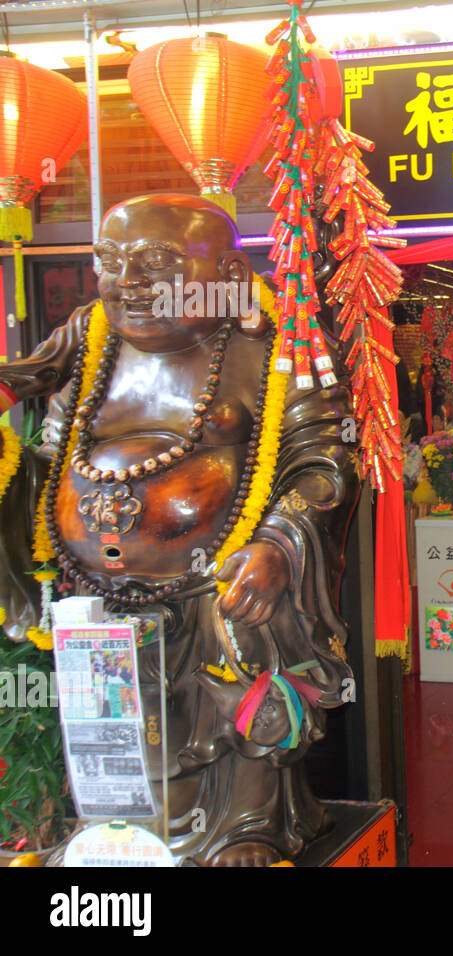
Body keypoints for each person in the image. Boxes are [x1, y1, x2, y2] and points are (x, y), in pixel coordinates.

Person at [0, 194, 355, 865]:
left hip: (213, 581)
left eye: (156, 263)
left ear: (225, 272)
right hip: (92, 580)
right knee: (105, 709)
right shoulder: (88, 335)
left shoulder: (273, 344)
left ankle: (247, 821)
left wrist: (279, 542)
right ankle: (110, 828)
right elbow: (21, 386)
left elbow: (324, 457)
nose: (127, 282)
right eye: (110, 262)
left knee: (241, 666)